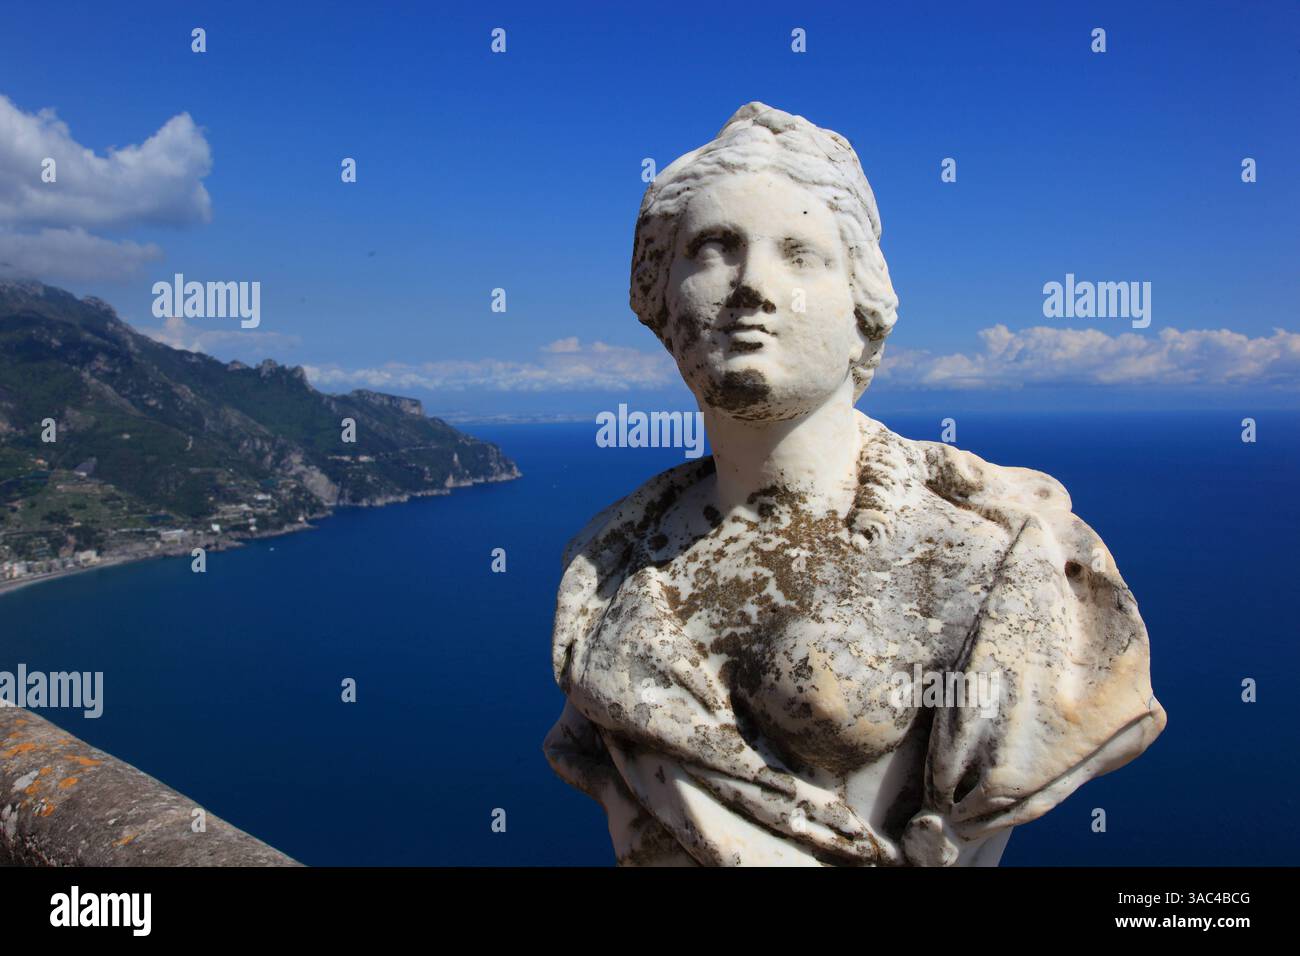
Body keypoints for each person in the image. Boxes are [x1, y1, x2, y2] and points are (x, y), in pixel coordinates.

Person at [544, 102, 1166, 866]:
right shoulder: (609, 566)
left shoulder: (996, 566)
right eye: (712, 249)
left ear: (862, 309)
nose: (751, 286)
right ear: (661, 299)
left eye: (799, 253)